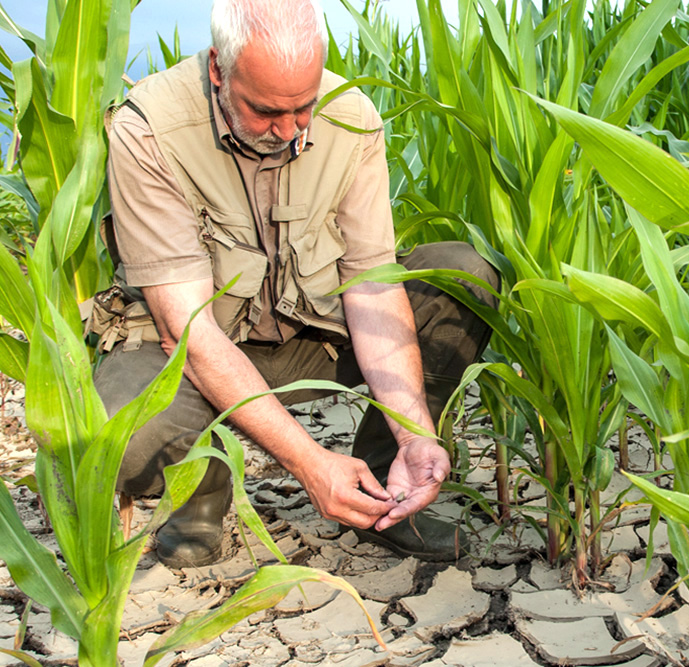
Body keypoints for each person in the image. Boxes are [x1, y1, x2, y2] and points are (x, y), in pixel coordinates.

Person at [88, 0, 496, 567]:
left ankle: (385, 492)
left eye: (303, 107)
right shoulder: (149, 129)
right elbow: (189, 333)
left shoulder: (350, 116)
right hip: (189, 353)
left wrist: (414, 434)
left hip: (313, 339)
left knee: (462, 275)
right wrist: (309, 463)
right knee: (117, 430)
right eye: (264, 111)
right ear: (217, 70)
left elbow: (372, 286)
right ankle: (197, 497)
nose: (289, 130)